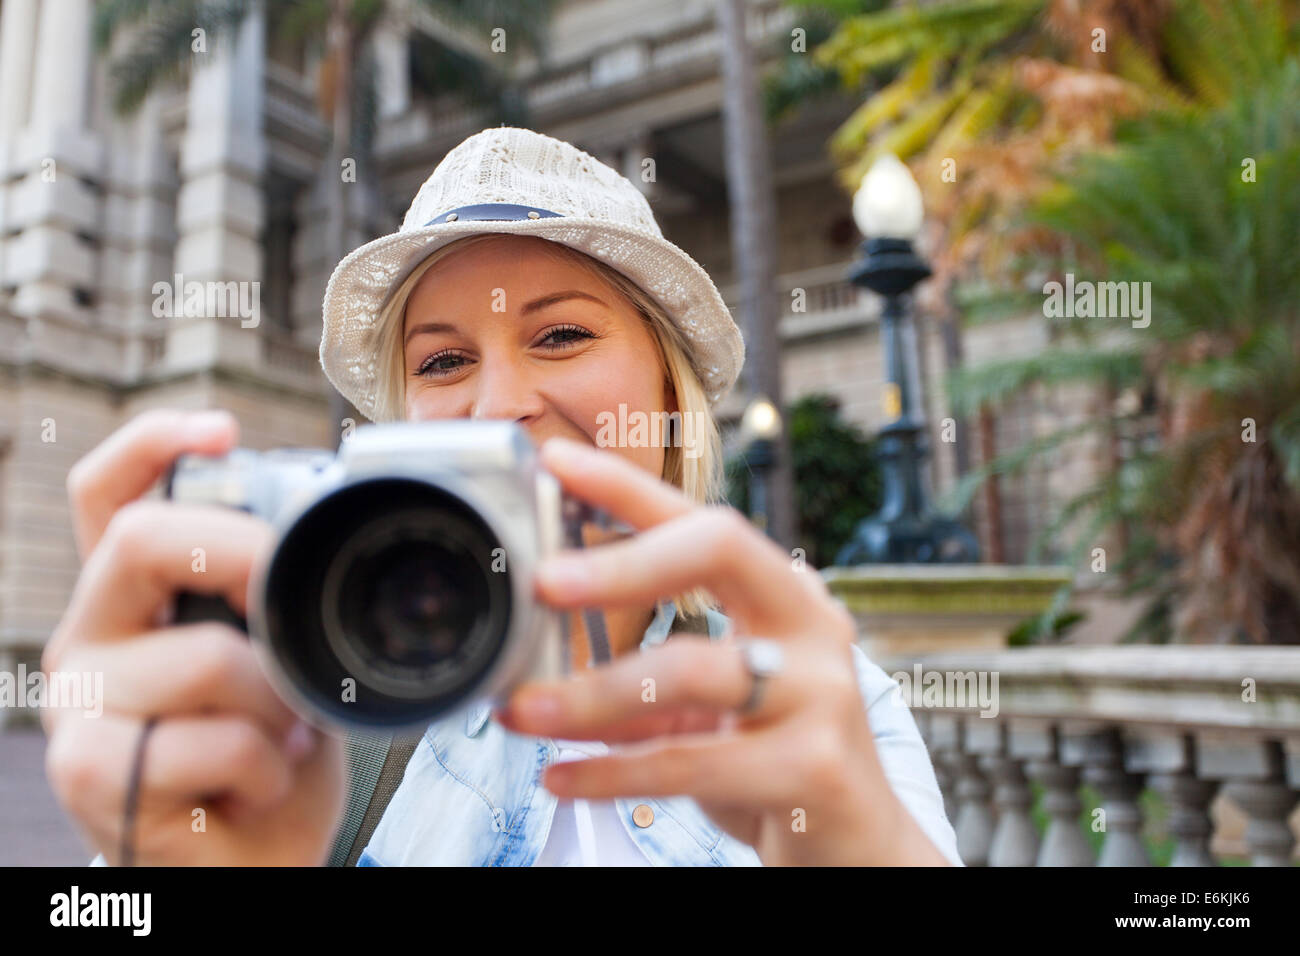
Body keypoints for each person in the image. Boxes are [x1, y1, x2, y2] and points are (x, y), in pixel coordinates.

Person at [42, 127, 960, 866]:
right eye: (442, 361)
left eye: (560, 334)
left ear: (671, 397)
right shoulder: (294, 721)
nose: (500, 406)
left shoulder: (830, 703)